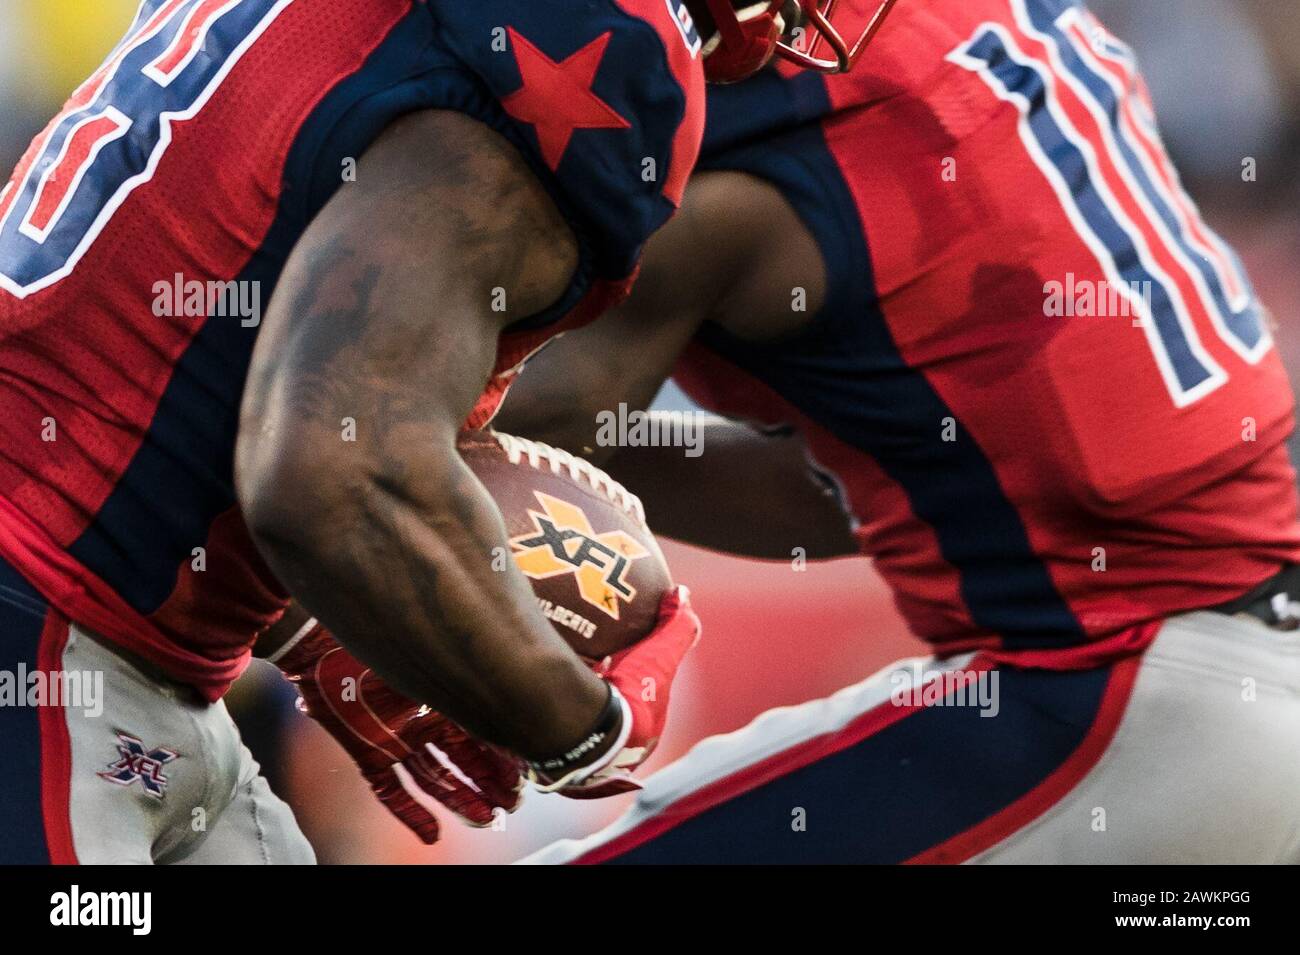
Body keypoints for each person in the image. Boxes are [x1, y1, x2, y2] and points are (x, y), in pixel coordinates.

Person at [0, 0, 859, 864]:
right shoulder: (599, 40)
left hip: (112, 635)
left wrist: (306, 616)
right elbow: (332, 474)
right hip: (51, 623)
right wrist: (584, 727)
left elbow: (194, 300)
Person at [499, 0, 1300, 863]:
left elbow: (442, 436)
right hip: (1224, 698)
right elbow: (844, 494)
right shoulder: (948, 44)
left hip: (1115, 701)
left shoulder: (766, 146)